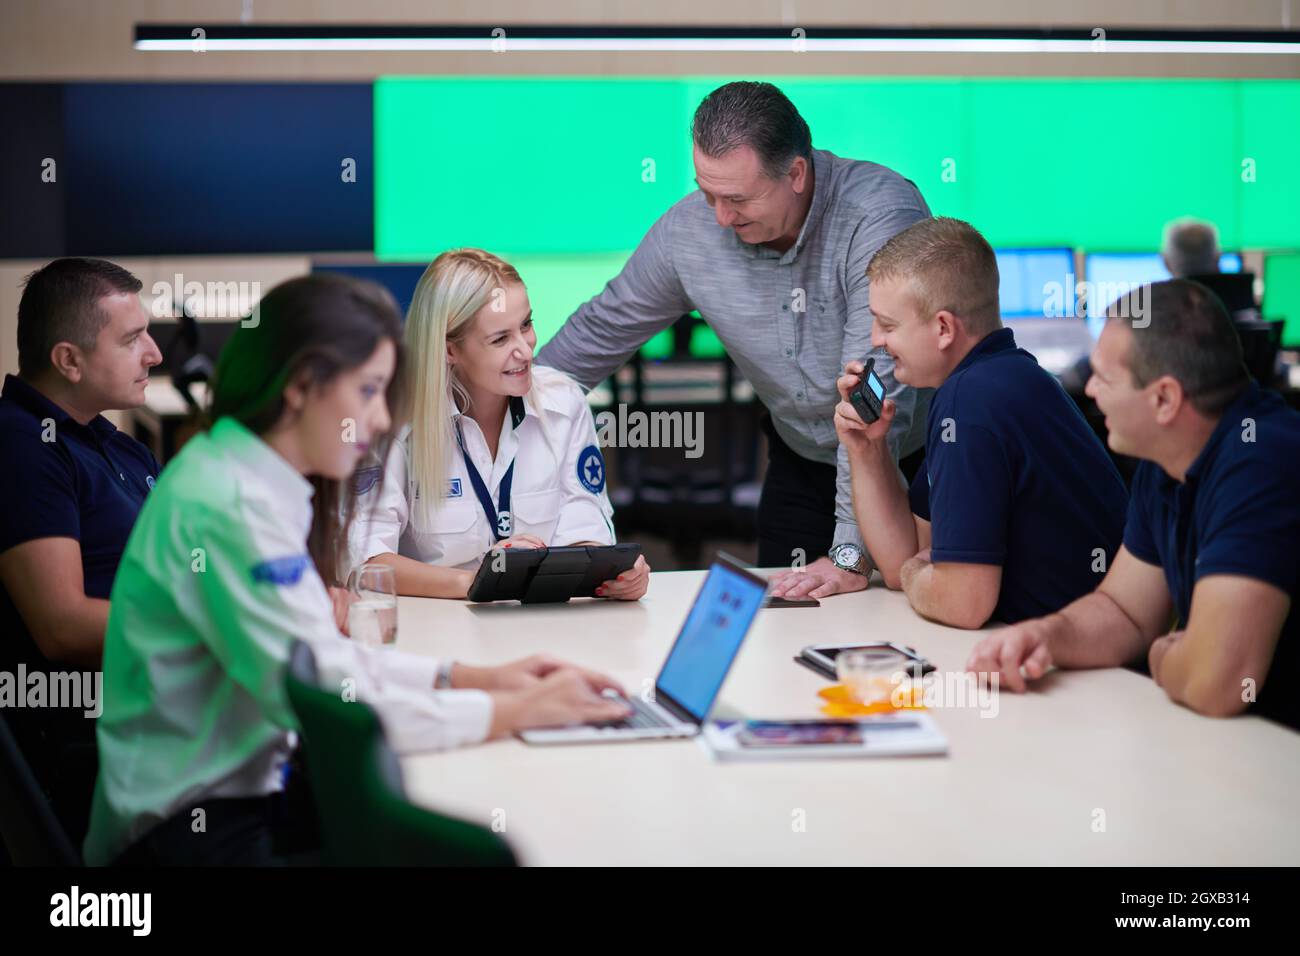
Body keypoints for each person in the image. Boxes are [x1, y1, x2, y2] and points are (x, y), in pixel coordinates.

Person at [84, 274, 632, 866]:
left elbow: (331, 667)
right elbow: (331, 703)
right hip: (188, 836)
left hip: (244, 797)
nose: (376, 422)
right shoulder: (232, 506)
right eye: (369, 392)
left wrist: (483, 678)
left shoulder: (247, 476)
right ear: (301, 388)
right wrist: (516, 711)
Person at [536, 80, 932, 593]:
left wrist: (850, 552)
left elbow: (873, 387)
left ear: (795, 173)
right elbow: (599, 331)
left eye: (737, 199)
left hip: (909, 462)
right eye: (708, 193)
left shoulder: (877, 216)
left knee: (906, 621)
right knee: (782, 620)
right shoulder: (691, 232)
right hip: (801, 461)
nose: (720, 217)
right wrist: (497, 413)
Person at [967, 279, 1300, 729]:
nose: (1090, 392)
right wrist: (1046, 635)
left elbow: (1216, 681)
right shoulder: (1167, 459)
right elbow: (1125, 612)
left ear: (1163, 398)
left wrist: (1164, 655)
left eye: (1104, 377)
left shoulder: (1261, 461)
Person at [826, 217, 1128, 628]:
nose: (876, 338)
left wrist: (919, 573)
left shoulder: (970, 402)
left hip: (1079, 672)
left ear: (944, 328)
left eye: (888, 324)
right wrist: (867, 448)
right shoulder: (998, 378)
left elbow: (960, 602)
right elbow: (908, 554)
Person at [351, 248, 650, 600]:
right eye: (500, 339)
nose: (525, 350)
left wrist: (610, 576)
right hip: (438, 633)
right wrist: (479, 581)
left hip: (543, 626)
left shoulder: (564, 403)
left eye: (526, 325)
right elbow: (366, 561)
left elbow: (584, 528)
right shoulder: (388, 420)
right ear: (449, 350)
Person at [0, 257, 162, 847]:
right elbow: (61, 625)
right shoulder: (23, 446)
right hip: (97, 748)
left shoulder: (116, 445)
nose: (155, 353)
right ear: (68, 359)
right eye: (132, 339)